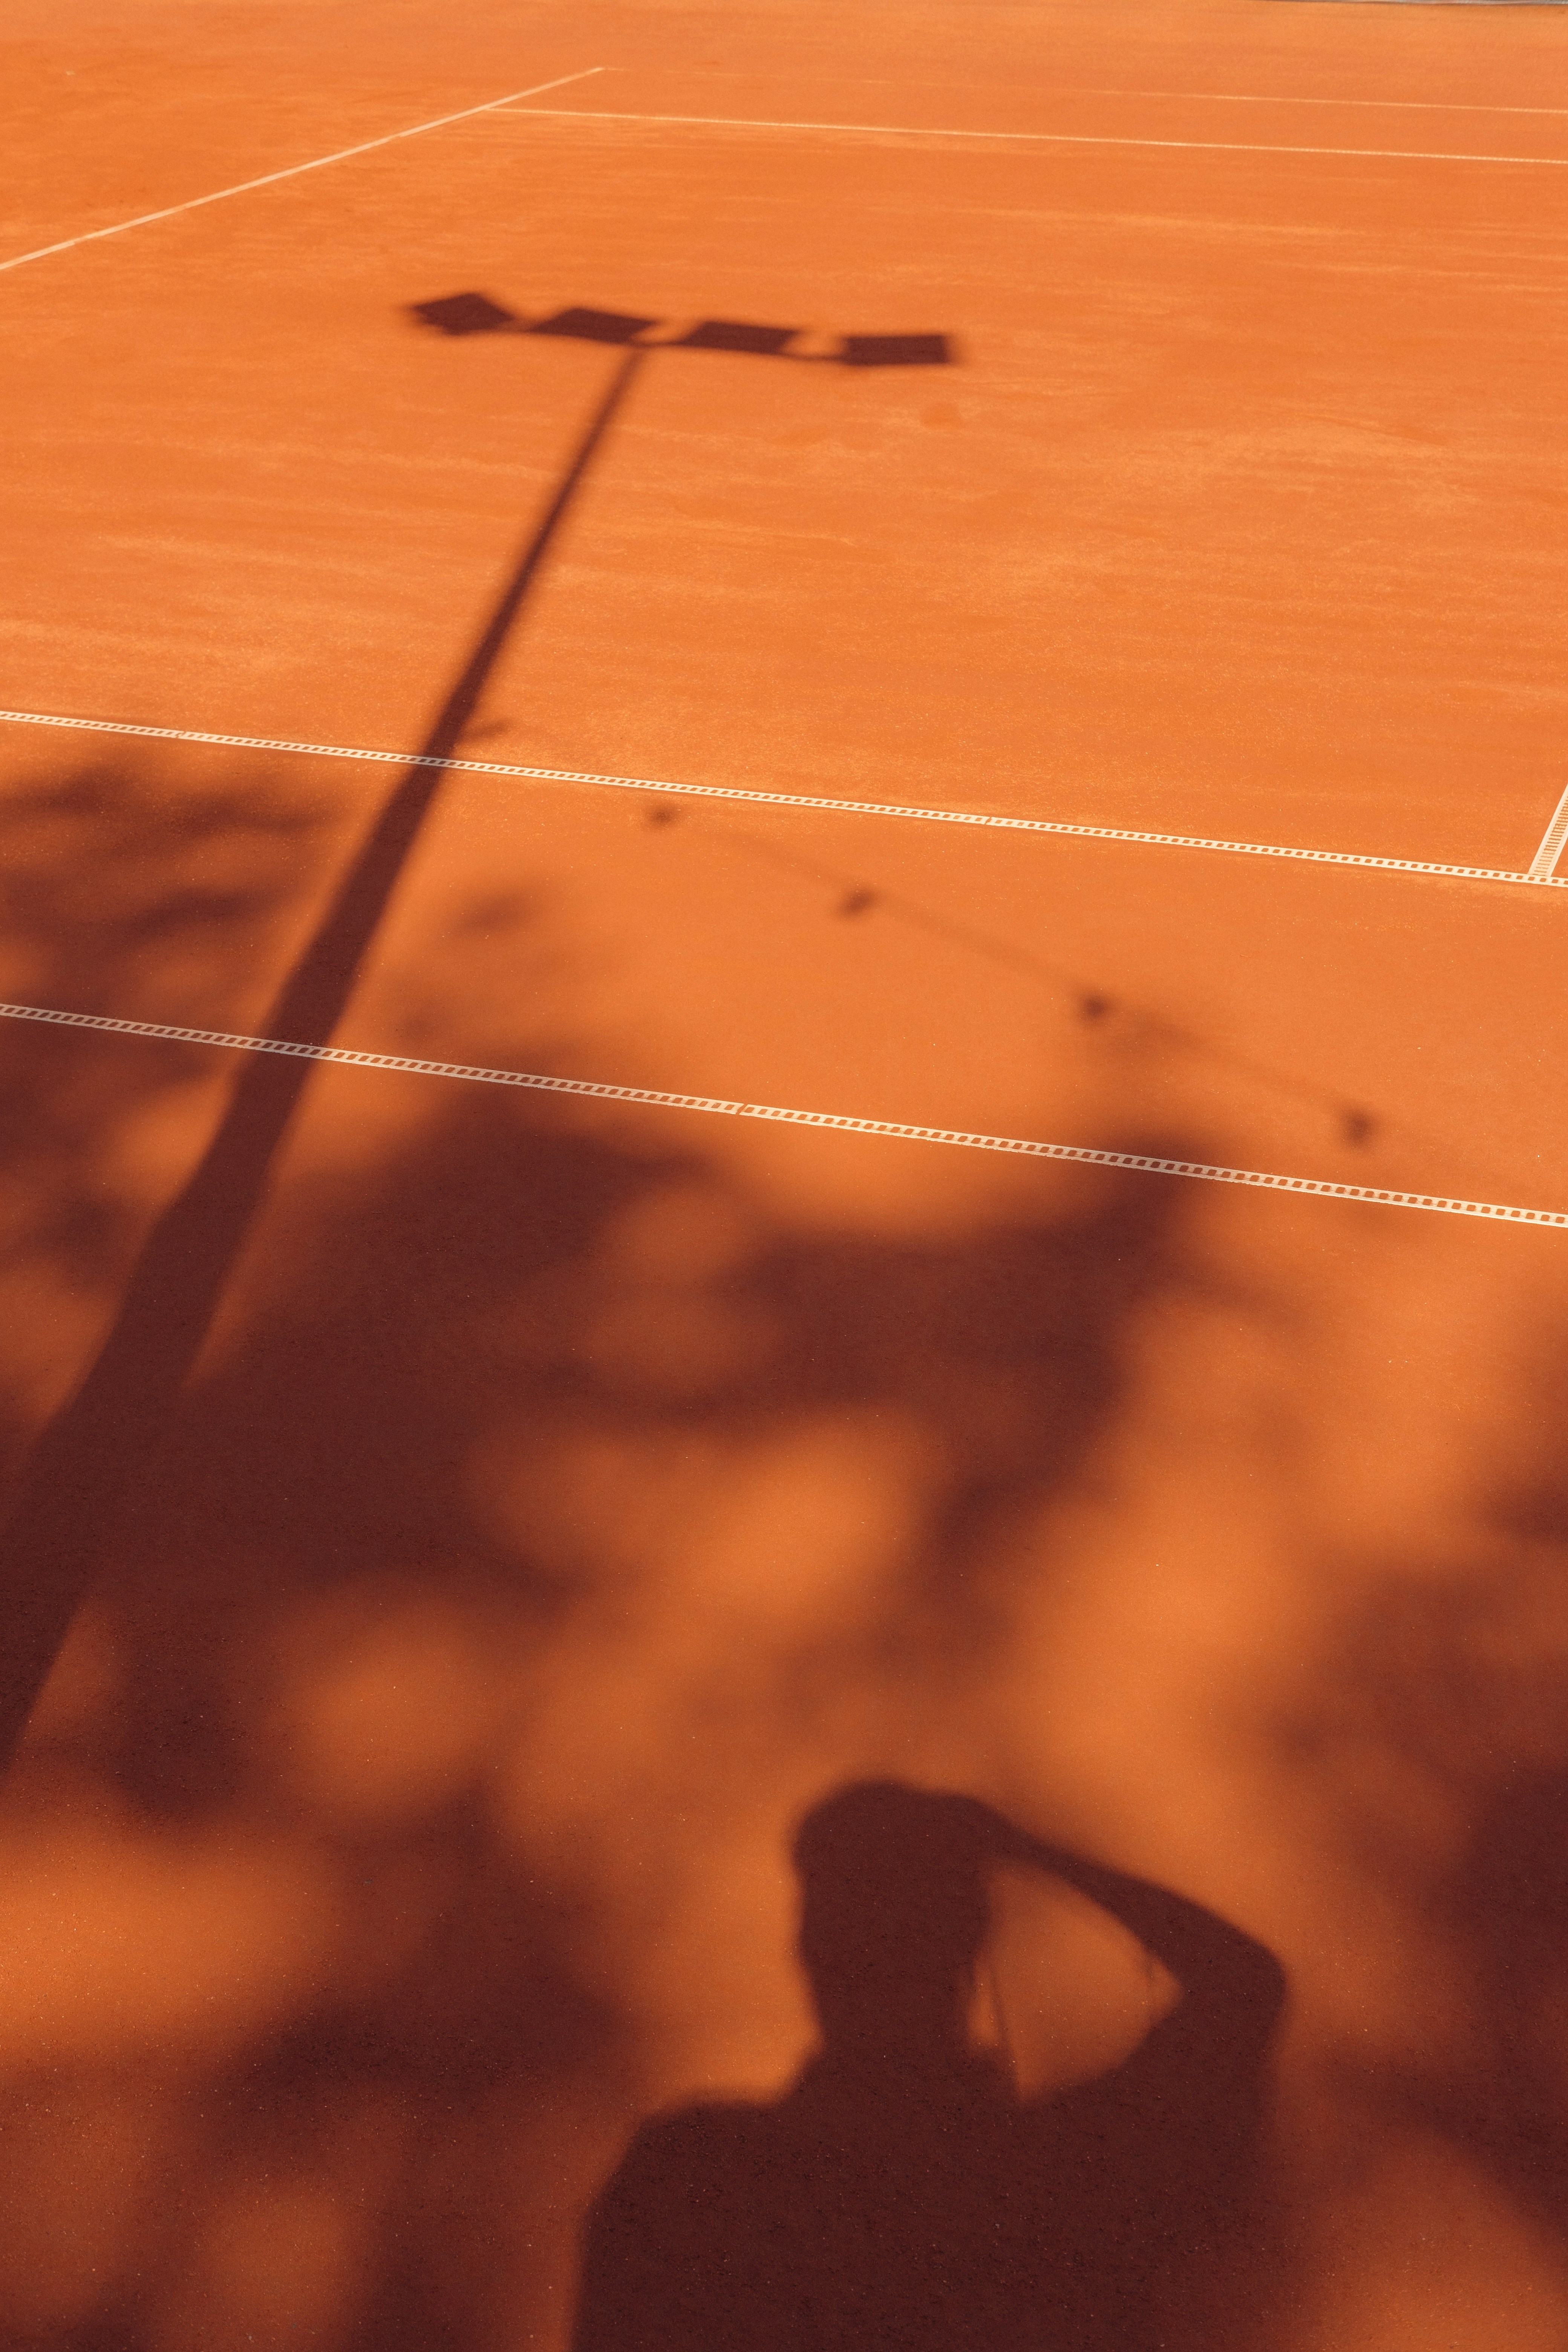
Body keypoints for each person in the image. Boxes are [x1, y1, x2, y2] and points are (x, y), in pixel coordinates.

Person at [572, 1782, 1286, 2352]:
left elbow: (1245, 1986)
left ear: (807, 1952)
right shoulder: (1058, 2167)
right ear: (970, 1946)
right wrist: (1024, 1852)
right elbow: (1241, 1983)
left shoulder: (704, 2172)